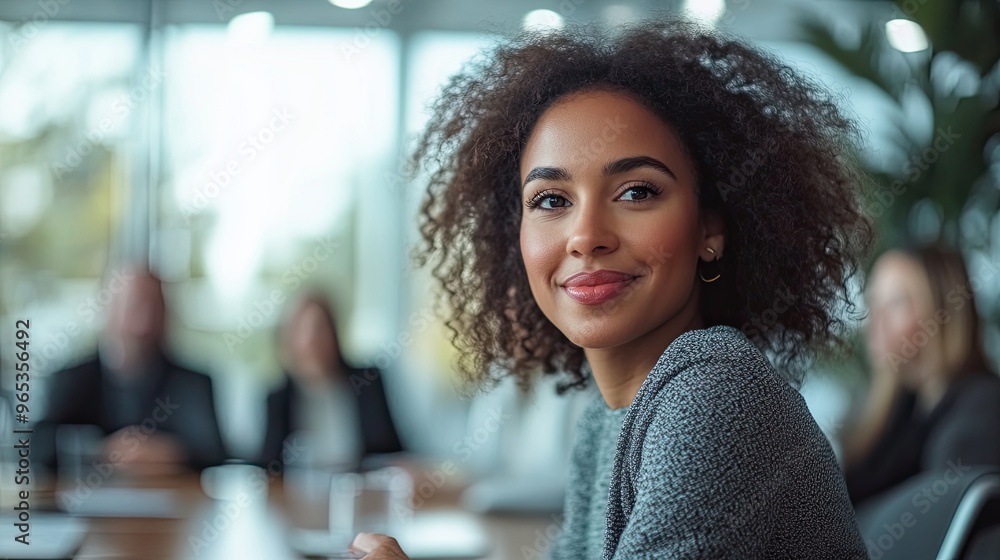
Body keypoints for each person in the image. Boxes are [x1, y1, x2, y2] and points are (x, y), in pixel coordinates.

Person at [350, 18, 875, 559]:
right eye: (551, 200)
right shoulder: (610, 415)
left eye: (636, 192)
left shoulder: (716, 396)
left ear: (709, 231)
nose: (586, 236)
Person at [839, 245, 1000, 506]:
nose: (875, 320)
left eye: (895, 302)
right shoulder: (899, 413)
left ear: (943, 311)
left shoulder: (983, 409)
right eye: (873, 303)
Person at [35, 268, 228, 476]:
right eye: (135, 307)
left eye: (155, 308)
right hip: (87, 504)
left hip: (174, 504)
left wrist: (174, 453)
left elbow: (215, 453)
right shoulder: (71, 379)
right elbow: (38, 448)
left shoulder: (192, 384)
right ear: (108, 310)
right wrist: (102, 450)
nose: (144, 322)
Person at [260, 294, 403, 473]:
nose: (312, 339)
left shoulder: (367, 382)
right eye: (303, 330)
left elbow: (394, 451)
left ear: (334, 333)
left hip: (361, 489)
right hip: (301, 494)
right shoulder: (279, 398)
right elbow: (269, 465)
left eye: (320, 328)